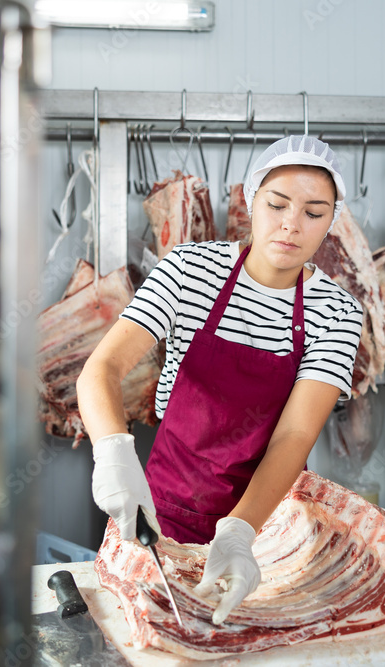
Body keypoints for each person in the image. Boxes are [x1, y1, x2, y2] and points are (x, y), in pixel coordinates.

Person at [76, 135, 363, 625]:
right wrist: (113, 452)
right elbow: (103, 368)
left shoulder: (338, 312)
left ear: (331, 221)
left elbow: (295, 434)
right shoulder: (189, 270)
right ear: (252, 200)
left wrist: (240, 532)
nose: (291, 224)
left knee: (261, 646)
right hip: (162, 510)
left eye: (314, 213)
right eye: (277, 204)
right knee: (152, 638)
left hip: (270, 528)